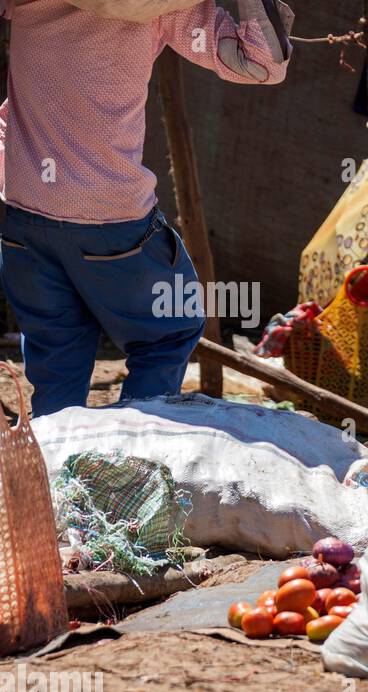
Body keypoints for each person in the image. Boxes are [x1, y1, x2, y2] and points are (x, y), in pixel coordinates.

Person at [0, 0, 294, 417]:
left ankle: (52, 470)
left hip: (26, 216)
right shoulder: (160, 6)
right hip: (110, 218)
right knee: (170, 332)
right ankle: (132, 460)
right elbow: (263, 62)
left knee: (57, 363)